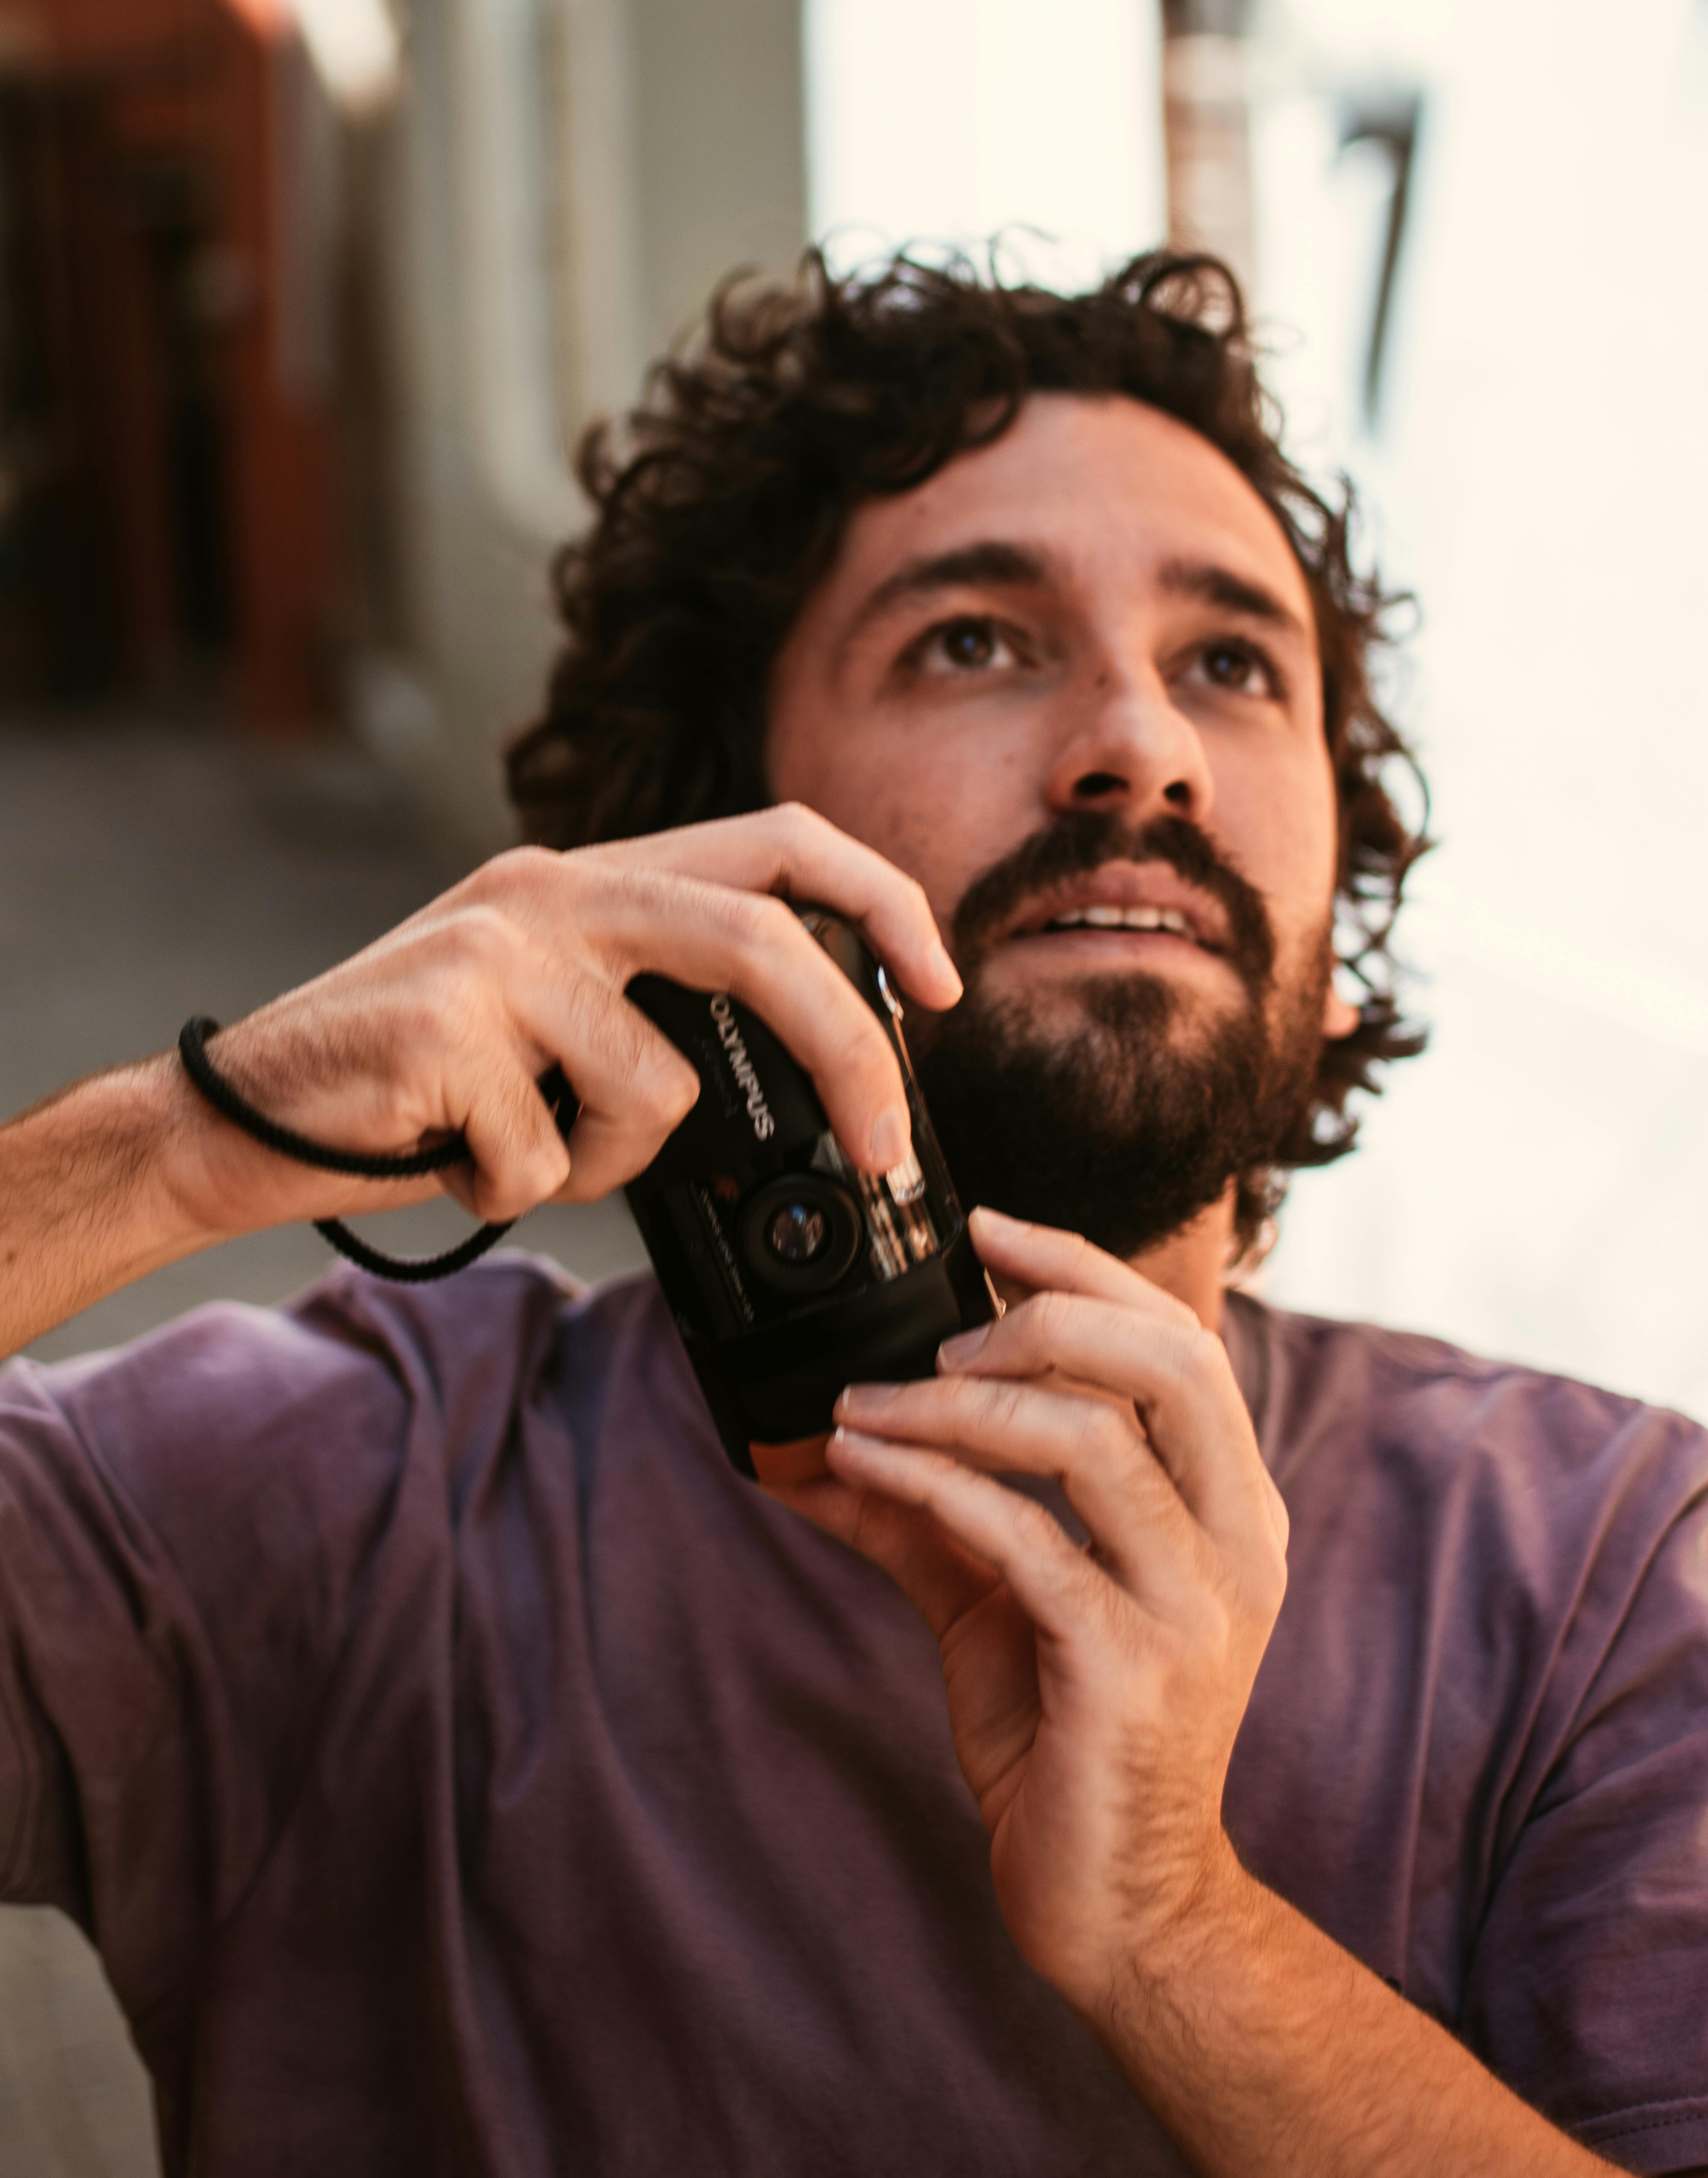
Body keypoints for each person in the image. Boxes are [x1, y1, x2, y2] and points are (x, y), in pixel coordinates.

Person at [2, 250, 1705, 2178]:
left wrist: (1176, 1934)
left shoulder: (1613, 1581)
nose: (1140, 740)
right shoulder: (343, 1502)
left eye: (1232, 663)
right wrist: (169, 1149)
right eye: (972, 639)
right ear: (720, 837)